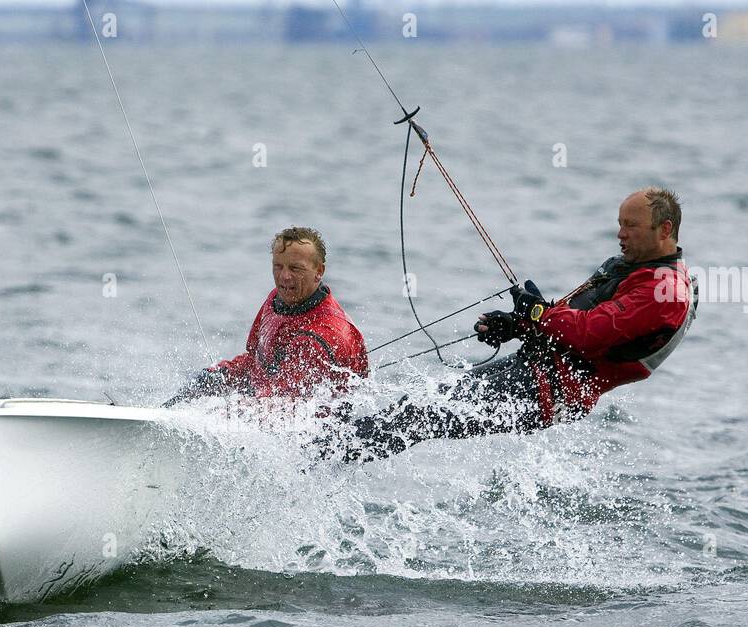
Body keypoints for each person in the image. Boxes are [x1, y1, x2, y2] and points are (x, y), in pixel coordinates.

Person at [334, 187, 697, 461]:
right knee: (414, 407)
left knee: (418, 415)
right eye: (620, 224)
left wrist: (536, 312)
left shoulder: (664, 293)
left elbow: (587, 333)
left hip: (544, 394)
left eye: (630, 226)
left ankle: (318, 458)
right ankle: (324, 449)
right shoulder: (632, 267)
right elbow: (566, 319)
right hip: (530, 371)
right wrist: (517, 325)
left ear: (664, 229)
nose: (620, 234)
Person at [166, 227, 368, 405]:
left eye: (296, 268)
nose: (284, 276)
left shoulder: (325, 335)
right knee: (203, 382)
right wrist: (217, 376)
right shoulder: (276, 300)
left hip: (314, 435)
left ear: (319, 271)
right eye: (278, 266)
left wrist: (217, 415)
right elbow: (255, 363)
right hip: (267, 401)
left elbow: (283, 403)